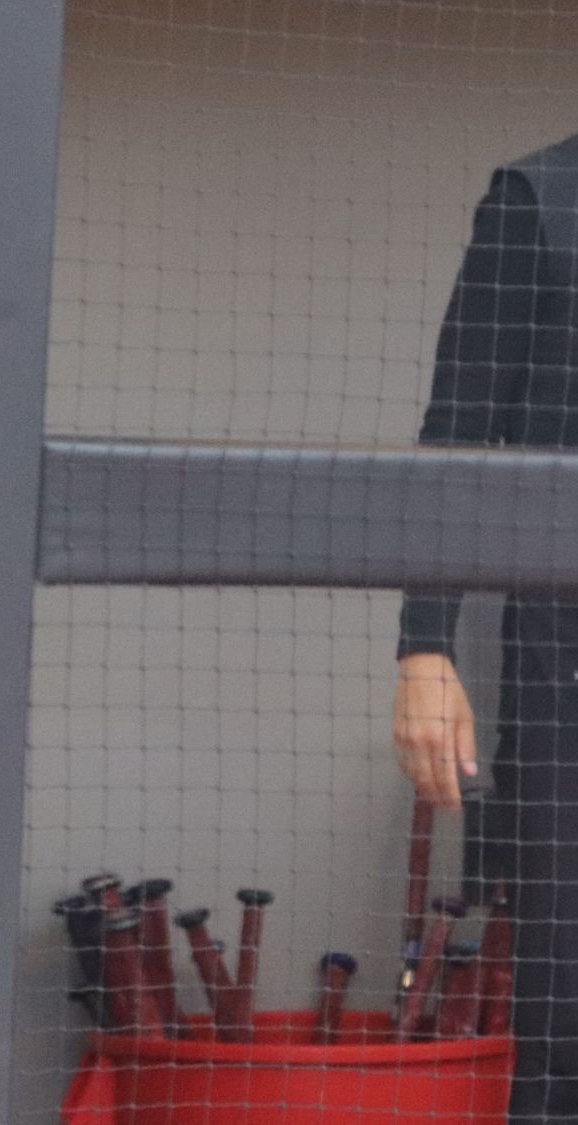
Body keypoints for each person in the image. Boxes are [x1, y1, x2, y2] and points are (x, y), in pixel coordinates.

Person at [394, 129, 578, 1122]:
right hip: (563, 678)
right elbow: (454, 437)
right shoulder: (538, 200)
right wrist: (424, 650)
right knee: (562, 1018)